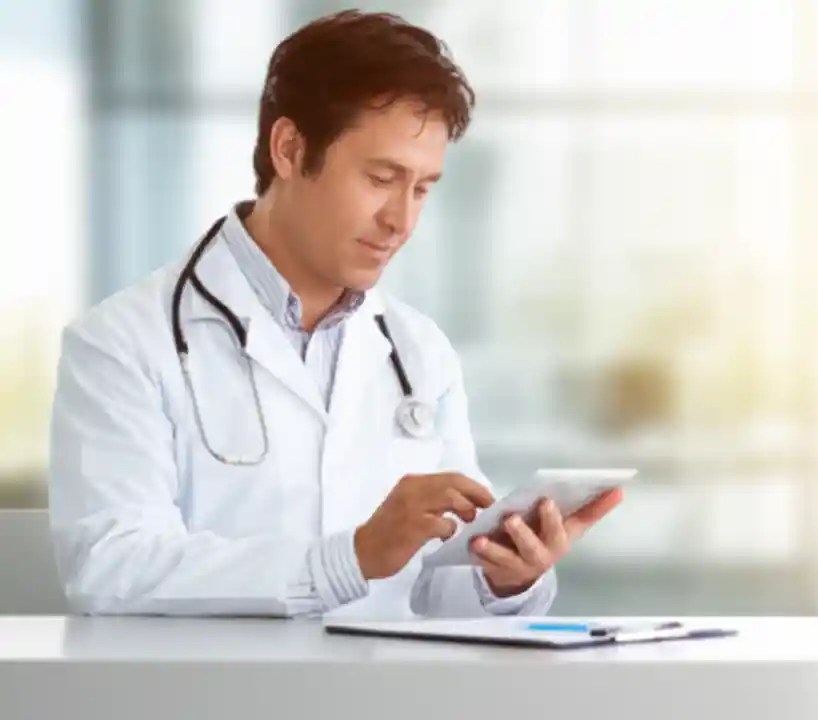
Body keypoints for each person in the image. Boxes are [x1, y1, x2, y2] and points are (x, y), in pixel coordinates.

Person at [47, 10, 622, 618]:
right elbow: (111, 568)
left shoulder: (418, 352)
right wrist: (350, 557)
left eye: (423, 188)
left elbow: (432, 588)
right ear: (290, 149)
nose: (402, 220)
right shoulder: (121, 344)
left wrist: (504, 576)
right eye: (381, 177)